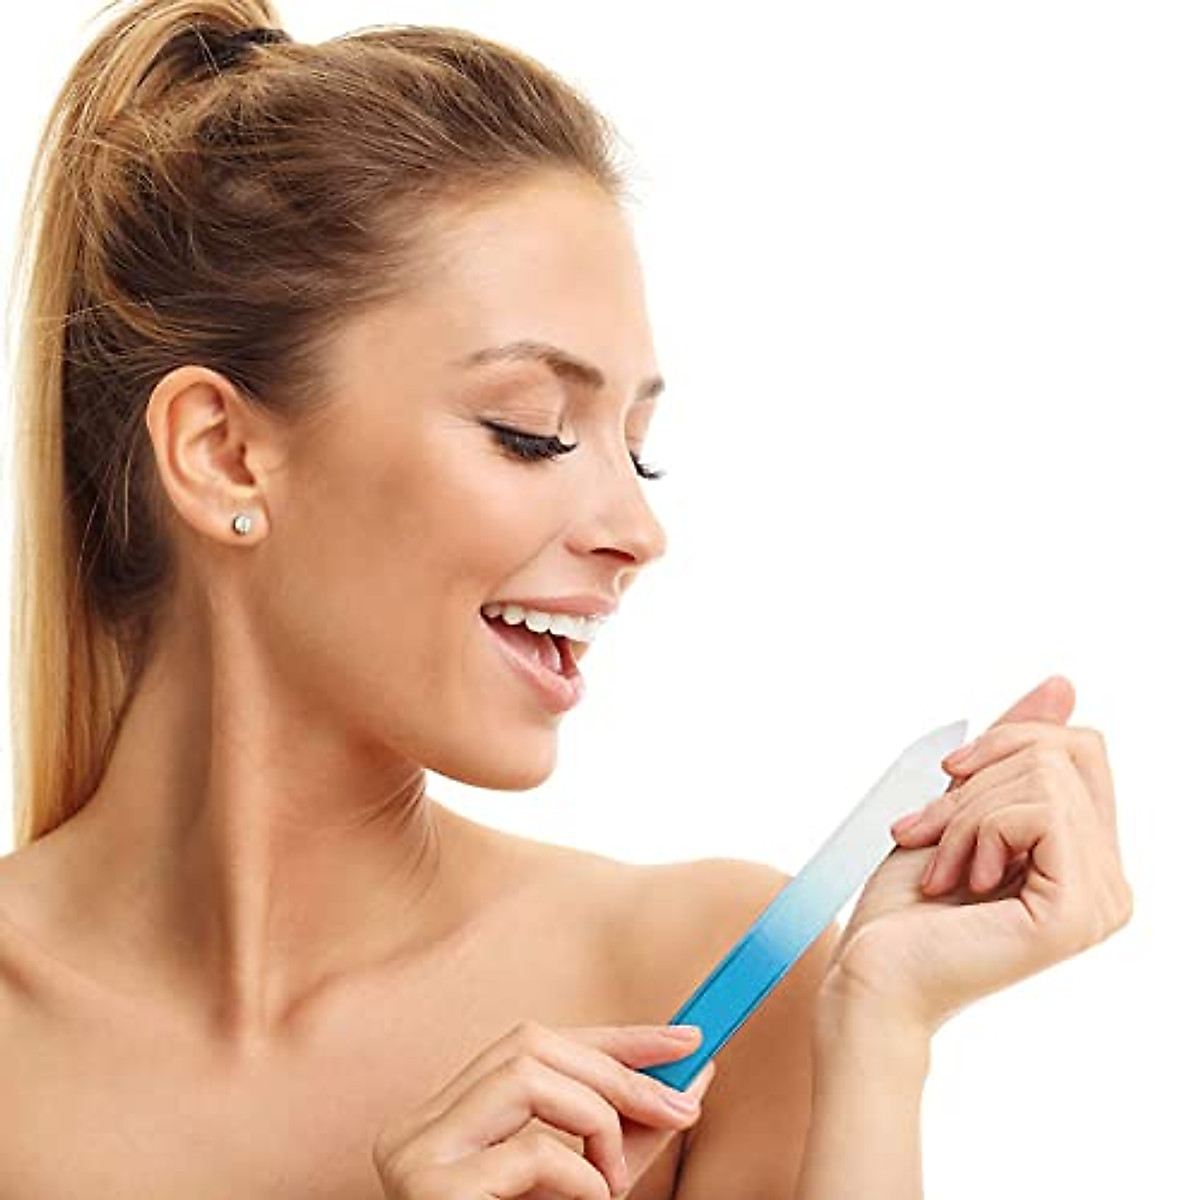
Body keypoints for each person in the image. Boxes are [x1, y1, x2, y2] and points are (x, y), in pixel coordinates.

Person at [0, 3, 1133, 1197]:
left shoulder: (715, 991)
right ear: (223, 454)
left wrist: (884, 1034)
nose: (637, 532)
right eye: (531, 431)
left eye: (637, 451)